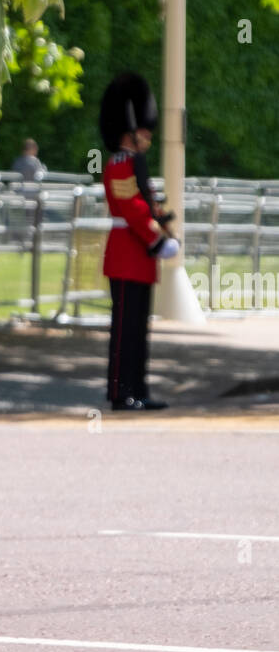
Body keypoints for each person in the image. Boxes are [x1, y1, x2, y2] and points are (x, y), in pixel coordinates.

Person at [99, 72, 179, 411]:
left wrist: (161, 224)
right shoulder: (119, 163)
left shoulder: (134, 163)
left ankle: (138, 388)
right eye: (143, 131)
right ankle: (121, 392)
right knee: (124, 331)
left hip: (139, 257)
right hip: (127, 253)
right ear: (129, 130)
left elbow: (145, 204)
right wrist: (155, 238)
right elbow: (131, 208)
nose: (147, 136)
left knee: (138, 330)